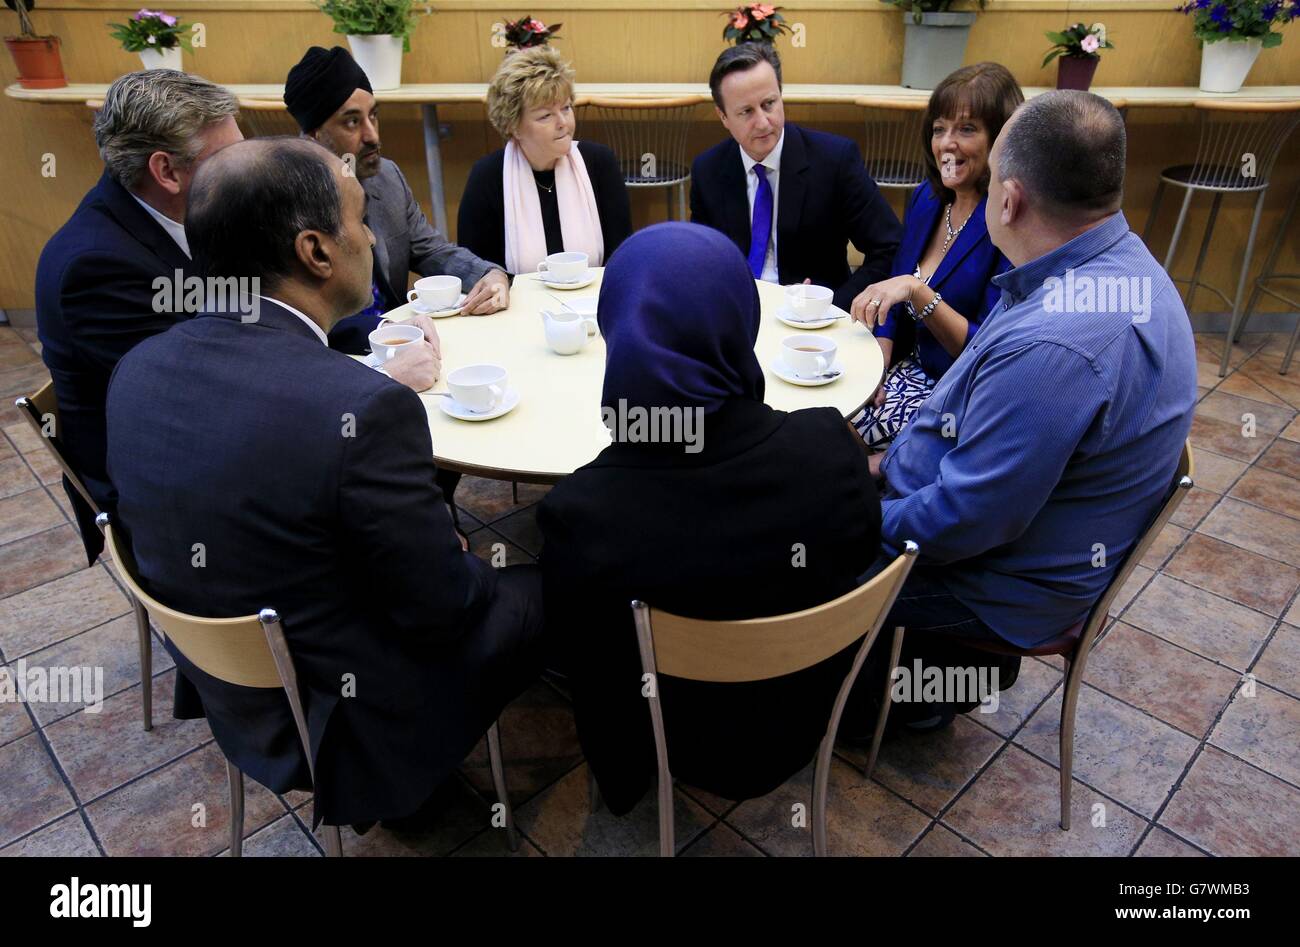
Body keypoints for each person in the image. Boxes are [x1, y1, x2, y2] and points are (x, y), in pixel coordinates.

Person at [104, 137, 546, 829]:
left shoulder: (137, 369)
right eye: (361, 219)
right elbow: (447, 607)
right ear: (316, 252)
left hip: (226, 680)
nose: (372, 237)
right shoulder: (361, 410)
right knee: (555, 578)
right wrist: (451, 552)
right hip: (346, 707)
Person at [844, 91, 1198, 734]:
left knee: (793, 553)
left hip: (998, 585)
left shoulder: (1057, 345)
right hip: (1021, 532)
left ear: (1007, 201)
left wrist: (850, 510)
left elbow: (961, 523)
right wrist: (878, 465)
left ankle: (870, 705)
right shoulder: (1121, 264)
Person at [537, 222, 881, 815]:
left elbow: (590, 672)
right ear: (741, 320)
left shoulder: (583, 513)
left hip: (670, 742)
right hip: (808, 713)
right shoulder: (829, 445)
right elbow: (853, 559)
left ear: (618, 330)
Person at [34, 70, 242, 564]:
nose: (246, 174)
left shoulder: (178, 208)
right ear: (166, 171)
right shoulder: (96, 267)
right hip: (160, 494)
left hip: (203, 429)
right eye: (229, 162)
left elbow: (249, 305)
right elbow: (204, 397)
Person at [849, 64, 1021, 470]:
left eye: (966, 129)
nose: (948, 143)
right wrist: (879, 361)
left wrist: (918, 290)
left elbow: (987, 349)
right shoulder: (927, 198)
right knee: (817, 422)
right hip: (907, 368)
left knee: (837, 456)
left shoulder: (1009, 221)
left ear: (1001, 139)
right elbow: (895, 286)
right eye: (939, 128)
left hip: (960, 394)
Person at [284, 46, 510, 354]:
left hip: (408, 343)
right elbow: (298, 312)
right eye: (352, 122)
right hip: (335, 361)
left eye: (373, 116)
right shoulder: (283, 201)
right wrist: (387, 331)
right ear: (313, 136)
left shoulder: (386, 176)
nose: (372, 135)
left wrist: (489, 274)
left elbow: (432, 250)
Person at [689, 43, 901, 312]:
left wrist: (832, 305)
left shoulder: (835, 160)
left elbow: (889, 247)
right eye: (746, 112)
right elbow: (702, 261)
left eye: (769, 104)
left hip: (817, 322)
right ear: (723, 117)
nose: (764, 122)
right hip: (736, 315)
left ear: (781, 96)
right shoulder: (707, 169)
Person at [458, 45, 631, 275]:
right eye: (545, 115)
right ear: (513, 127)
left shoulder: (599, 163)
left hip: (592, 303)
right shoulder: (488, 176)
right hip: (517, 307)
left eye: (566, 108)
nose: (563, 122)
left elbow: (621, 256)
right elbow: (476, 269)